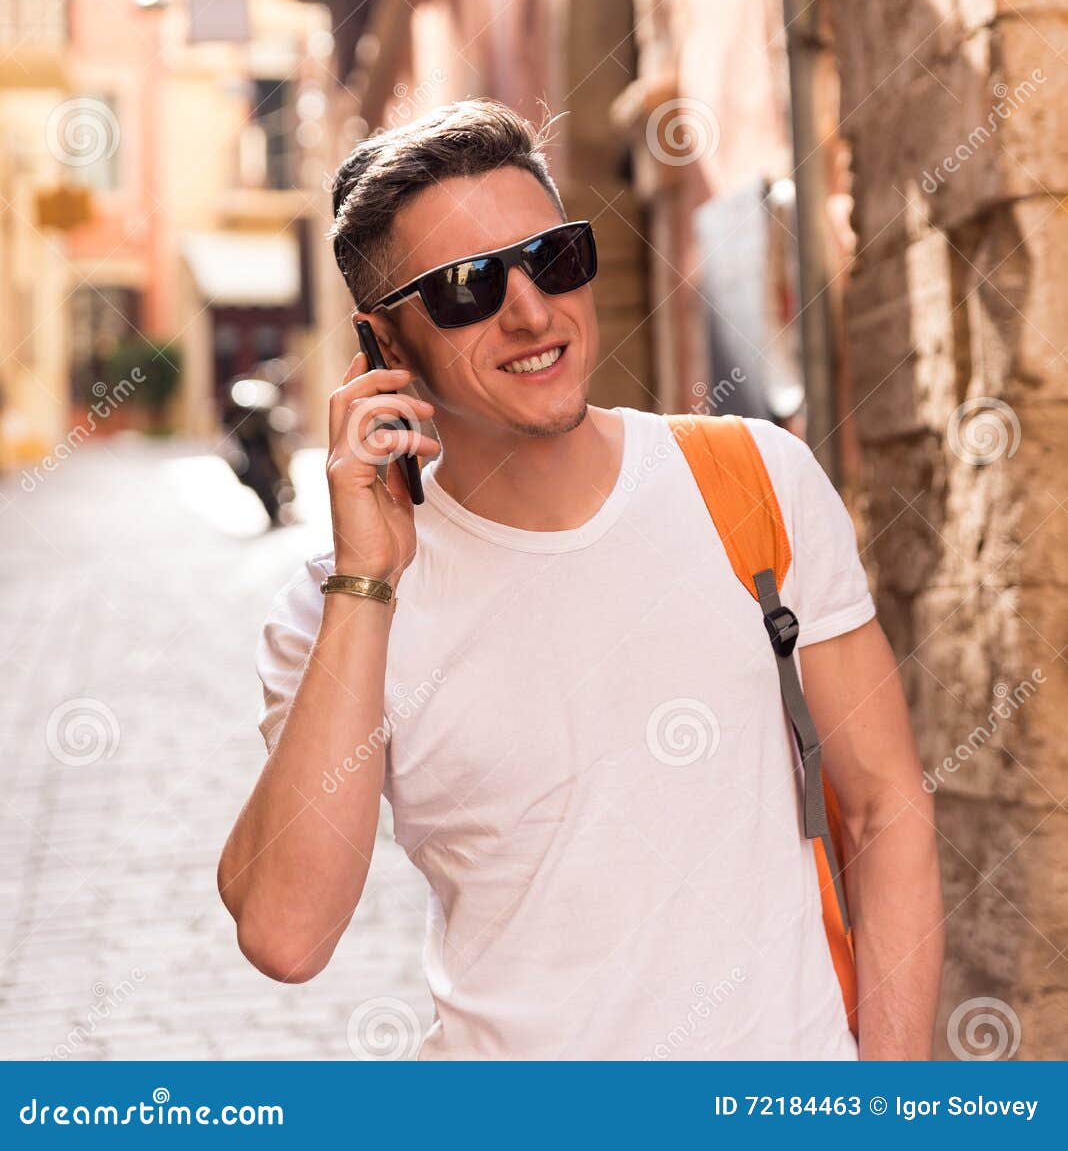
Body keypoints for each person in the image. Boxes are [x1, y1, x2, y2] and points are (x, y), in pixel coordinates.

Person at [217, 98, 942, 1061]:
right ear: (386, 345)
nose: (529, 310)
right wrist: (367, 582)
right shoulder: (335, 609)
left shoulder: (756, 481)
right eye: (466, 287)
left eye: (553, 259)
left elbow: (888, 809)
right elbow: (284, 932)